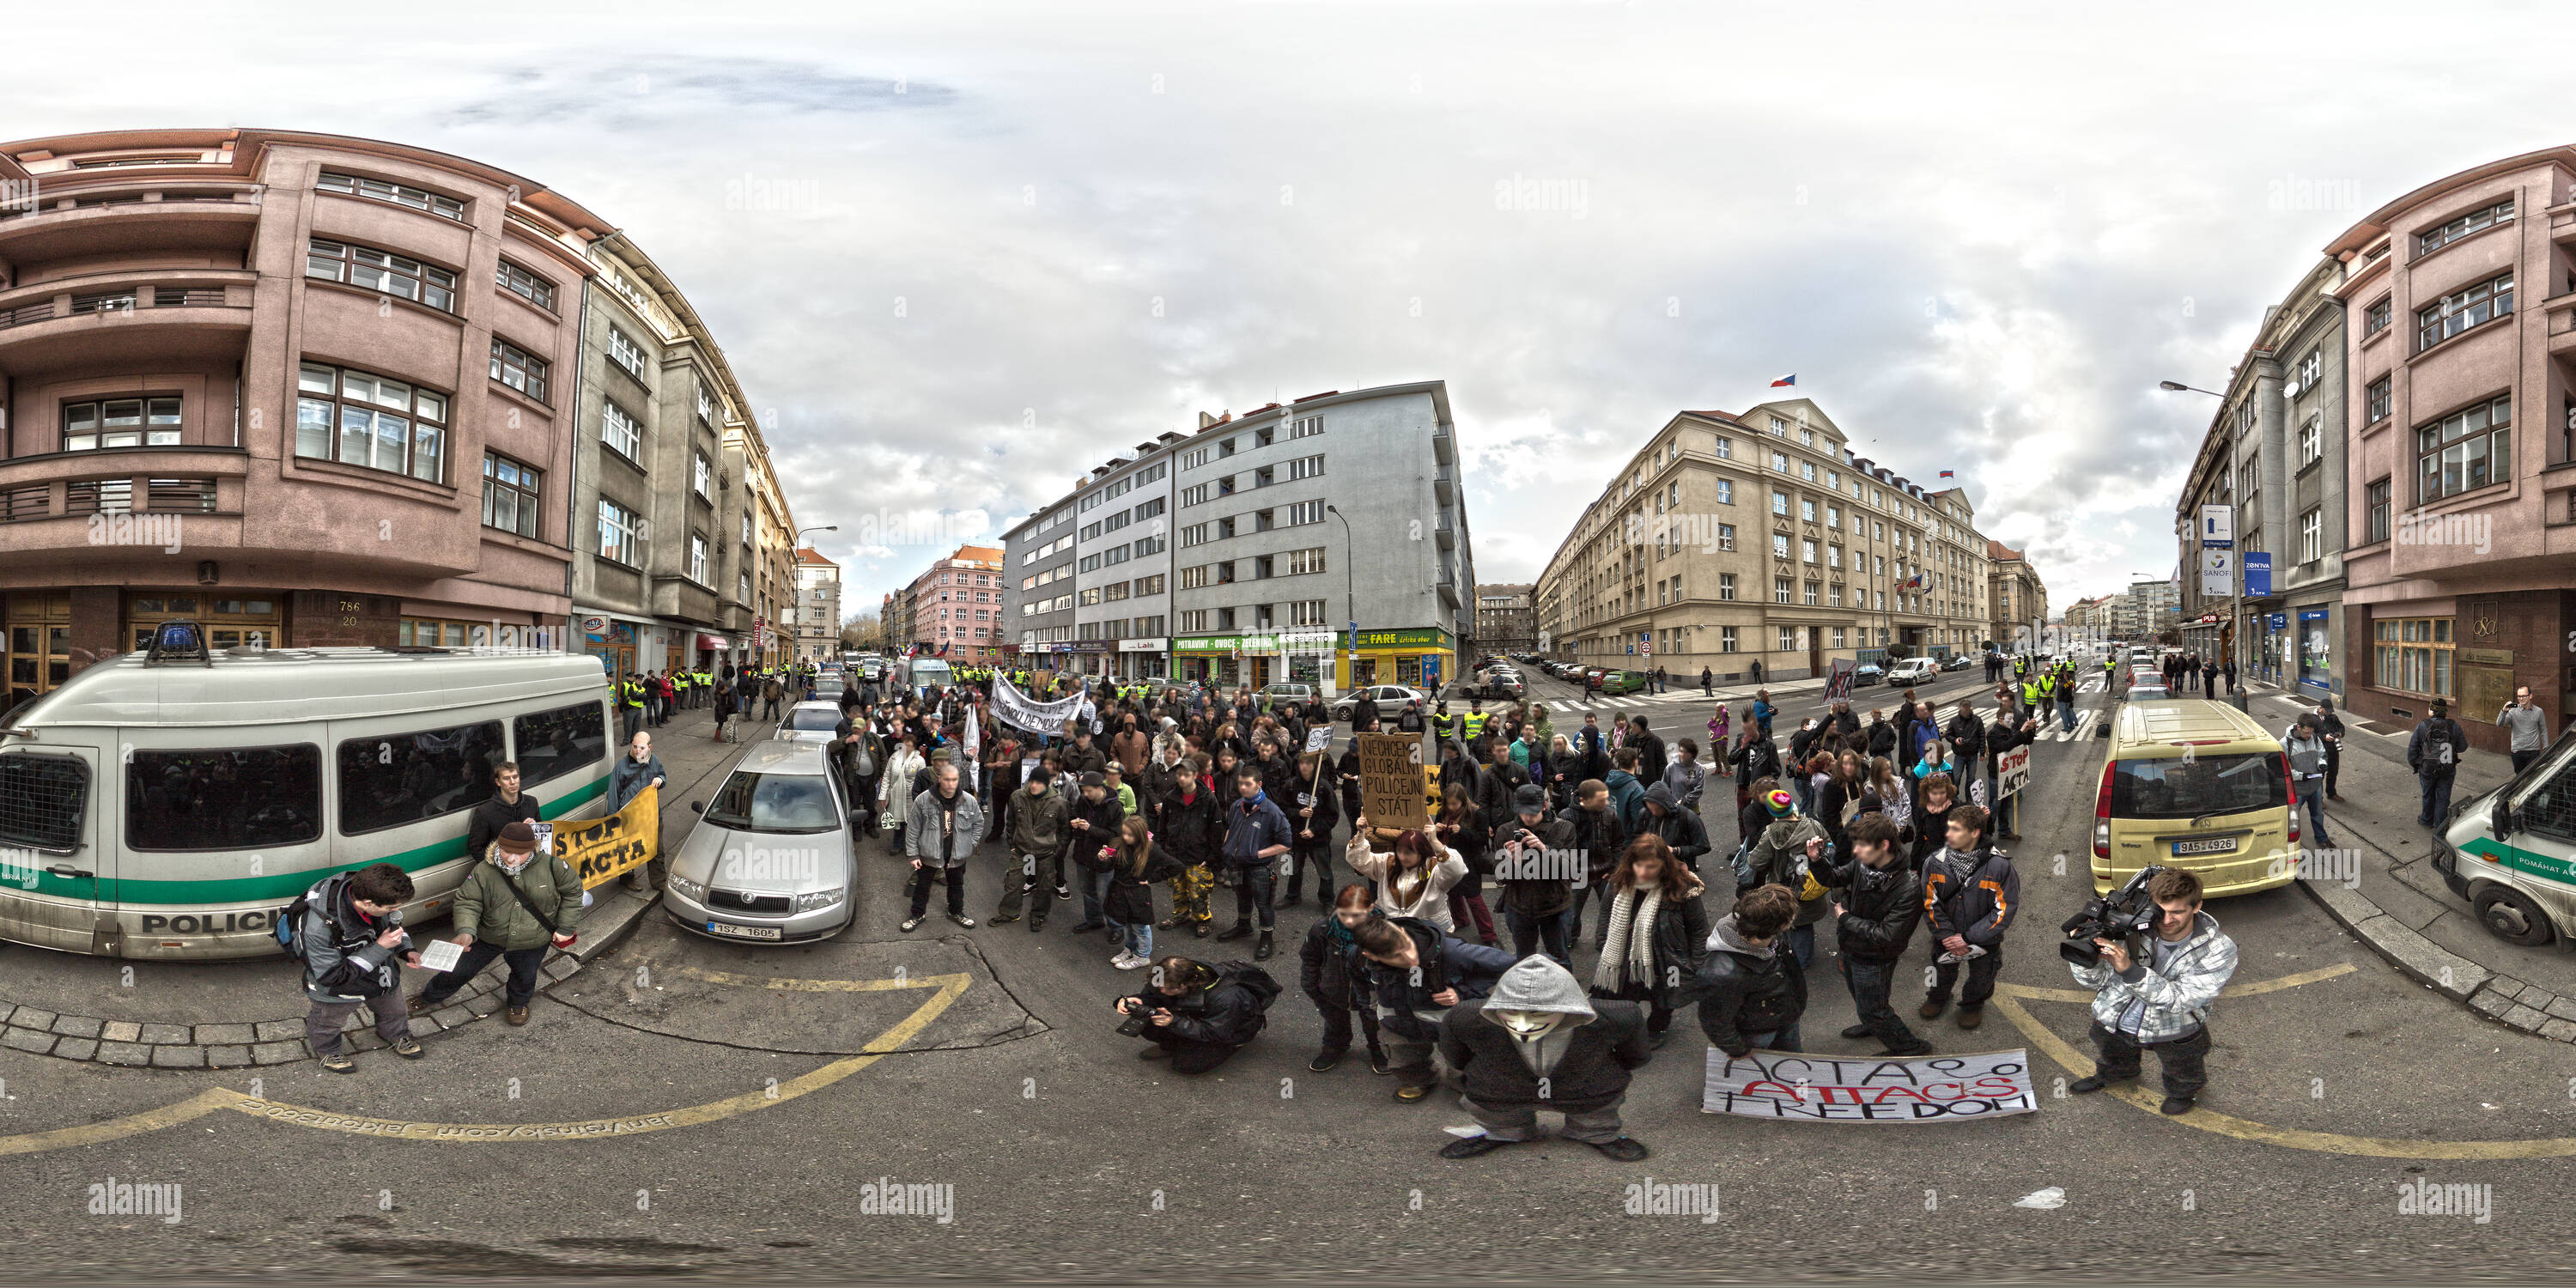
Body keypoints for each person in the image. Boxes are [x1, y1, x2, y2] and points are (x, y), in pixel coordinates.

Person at [1438, 954, 1651, 1161]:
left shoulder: (1620, 1017)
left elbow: (1634, 1056)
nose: (1522, 1026)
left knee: (1597, 1112)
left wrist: (1610, 1075)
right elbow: (1457, 1057)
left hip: (1586, 1088)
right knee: (1494, 1111)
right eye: (1510, 1013)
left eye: (1538, 1015)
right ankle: (1505, 1132)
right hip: (1502, 1089)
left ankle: (1596, 1133)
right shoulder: (1464, 1018)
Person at [2069, 867, 2239, 1115]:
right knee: (2111, 1054)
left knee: (2183, 1067)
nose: (2167, 920)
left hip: (2176, 1029)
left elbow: (2181, 1000)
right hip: (2116, 1017)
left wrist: (2130, 971)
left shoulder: (2218, 949)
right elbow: (2097, 981)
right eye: (2161, 911)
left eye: (2178, 912)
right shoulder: (2131, 926)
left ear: (2197, 906)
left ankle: (2184, 1092)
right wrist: (2083, 953)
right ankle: (2116, 1074)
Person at [408, 819, 580, 1026]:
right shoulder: (484, 870)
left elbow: (573, 893)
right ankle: (430, 996)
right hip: (489, 936)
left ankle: (518, 1003)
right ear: (499, 846)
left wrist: (566, 927)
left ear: (533, 849)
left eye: (520, 852)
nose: (511, 857)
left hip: (532, 939)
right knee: (457, 971)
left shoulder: (554, 866)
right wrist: (466, 931)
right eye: (506, 850)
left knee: (525, 976)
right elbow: (468, 901)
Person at [1352, 914, 1515, 1103]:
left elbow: (1511, 968)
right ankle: (1419, 1080)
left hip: (1447, 1022)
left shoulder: (1454, 952)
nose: (1410, 958)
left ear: (1403, 933)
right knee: (1404, 1057)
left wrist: (1461, 993)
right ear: (1371, 956)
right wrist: (1371, 1006)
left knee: (1462, 1057)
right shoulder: (1359, 957)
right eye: (1395, 957)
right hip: (1398, 1023)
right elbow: (1359, 980)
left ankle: (1467, 1086)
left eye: (1406, 947)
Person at [1804, 811, 1928, 1055]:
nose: (1856, 852)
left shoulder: (1909, 888)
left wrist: (1845, 918)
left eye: (1862, 845)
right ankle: (1872, 1023)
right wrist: (1817, 861)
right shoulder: (1865, 864)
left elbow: (1887, 935)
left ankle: (1908, 1047)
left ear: (1883, 845)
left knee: (1875, 1008)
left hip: (1875, 957)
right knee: (1865, 999)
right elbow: (1836, 877)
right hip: (1852, 947)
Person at [295, 861, 425, 1072]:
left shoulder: (377, 899)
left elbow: (394, 928)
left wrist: (406, 949)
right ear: (368, 902)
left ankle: (396, 1034)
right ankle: (327, 1049)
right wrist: (382, 947)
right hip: (336, 991)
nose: (396, 911)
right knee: (328, 1022)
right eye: (391, 908)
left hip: (381, 976)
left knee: (395, 1010)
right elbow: (331, 976)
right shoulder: (318, 928)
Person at [1588, 835, 1710, 1046]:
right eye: (1639, 865)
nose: (1643, 873)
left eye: (1651, 867)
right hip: (1628, 957)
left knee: (1664, 1000)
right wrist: (1602, 941)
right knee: (1621, 997)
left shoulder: (1683, 887)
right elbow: (1606, 913)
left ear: (1664, 865)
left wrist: (1696, 964)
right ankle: (1626, 1030)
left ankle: (1656, 1029)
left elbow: (1699, 930)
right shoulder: (1620, 881)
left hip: (1669, 960)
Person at [1918, 803, 2013, 1030]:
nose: (1948, 834)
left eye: (1956, 830)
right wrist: (1948, 935)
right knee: (1942, 971)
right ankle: (1938, 997)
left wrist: (1969, 937)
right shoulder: (1934, 863)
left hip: (1985, 941)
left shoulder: (1999, 866)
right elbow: (1929, 903)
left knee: (1982, 976)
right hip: (1946, 938)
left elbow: (2004, 909)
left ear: (1974, 833)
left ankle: (1972, 1004)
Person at [1115, 955, 1279, 1074]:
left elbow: (1215, 1032)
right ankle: (1172, 1046)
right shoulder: (1167, 978)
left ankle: (1232, 1047)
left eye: (1170, 989)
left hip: (1229, 1029)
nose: (1163, 992)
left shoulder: (1226, 998)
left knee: (1186, 1065)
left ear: (1190, 982)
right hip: (1193, 1016)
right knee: (1144, 1016)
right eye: (1159, 986)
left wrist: (1173, 1022)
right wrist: (1130, 1001)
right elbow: (1152, 997)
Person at [1696, 883, 1807, 1057]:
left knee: (1792, 1061)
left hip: (1787, 1017)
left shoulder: (1772, 934)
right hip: (1757, 1035)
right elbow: (1716, 1022)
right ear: (1783, 925)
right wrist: (1739, 1050)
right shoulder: (1720, 974)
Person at [1300, 884, 1389, 1074]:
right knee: (1334, 1023)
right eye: (1344, 913)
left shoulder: (1383, 932)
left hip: (1369, 993)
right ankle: (1335, 1047)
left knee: (1374, 1024)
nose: (1349, 920)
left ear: (1370, 908)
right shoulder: (1322, 929)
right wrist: (1312, 987)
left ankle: (1378, 1050)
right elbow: (1310, 958)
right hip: (1332, 989)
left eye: (1356, 915)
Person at [1739, 787, 1829, 966]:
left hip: (1782, 886)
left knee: (1784, 919)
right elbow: (1827, 845)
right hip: (1810, 884)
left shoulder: (1771, 834)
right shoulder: (1813, 825)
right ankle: (1803, 961)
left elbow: (1755, 862)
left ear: (1773, 812)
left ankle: (1789, 958)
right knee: (1804, 924)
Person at [1215, 766, 1295, 960]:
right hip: (1236, 865)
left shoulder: (1272, 811)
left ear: (1259, 785)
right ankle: (1243, 927)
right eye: (1240, 783)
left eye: (1247, 784)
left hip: (1259, 868)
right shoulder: (1237, 806)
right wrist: (1228, 846)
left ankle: (1267, 937)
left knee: (1264, 903)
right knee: (1242, 898)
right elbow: (1230, 828)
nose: (1242, 787)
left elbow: (1286, 843)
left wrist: (1258, 854)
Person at [1492, 784, 1577, 964]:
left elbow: (1570, 870)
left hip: (1556, 906)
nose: (1527, 817)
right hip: (1519, 906)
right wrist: (1514, 861)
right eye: (1523, 812)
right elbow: (1502, 878)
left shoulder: (1564, 828)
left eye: (1532, 812)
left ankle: (1562, 989)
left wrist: (1544, 849)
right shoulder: (1505, 831)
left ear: (1544, 806)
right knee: (1524, 959)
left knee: (1559, 957)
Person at [901, 761, 984, 933]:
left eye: (954, 780)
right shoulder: (923, 800)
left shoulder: (968, 800)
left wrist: (970, 844)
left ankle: (956, 912)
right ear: (939, 779)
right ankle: (917, 914)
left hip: (956, 854)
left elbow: (978, 823)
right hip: (929, 854)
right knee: (922, 886)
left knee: (956, 885)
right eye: (947, 779)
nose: (951, 784)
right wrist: (913, 855)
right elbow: (913, 829)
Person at [1344, 819, 1472, 930]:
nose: (1402, 857)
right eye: (1399, 851)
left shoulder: (1435, 867)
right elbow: (1358, 860)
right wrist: (1361, 834)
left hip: (1429, 932)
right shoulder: (1387, 862)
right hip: (1394, 930)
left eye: (1409, 853)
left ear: (1421, 852)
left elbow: (1458, 871)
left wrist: (1435, 842)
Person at [994, 767, 1071, 930]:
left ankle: (1038, 916)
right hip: (1022, 852)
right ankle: (1009, 913)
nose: (1034, 786)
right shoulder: (1017, 796)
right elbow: (1011, 822)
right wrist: (1012, 844)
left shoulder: (1059, 803)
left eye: (1038, 783)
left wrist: (1057, 852)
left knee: (1044, 888)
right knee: (1013, 884)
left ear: (1047, 784)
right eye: (1032, 781)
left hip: (1045, 854)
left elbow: (1065, 830)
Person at [1101, 815, 1178, 969]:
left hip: (1138, 895)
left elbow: (1176, 866)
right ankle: (1130, 949)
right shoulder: (1120, 844)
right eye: (1124, 833)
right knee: (1128, 924)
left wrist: (1152, 878)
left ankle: (1143, 956)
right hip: (1121, 891)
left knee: (1141, 928)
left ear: (1140, 835)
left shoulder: (1151, 850)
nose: (1125, 837)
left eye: (1130, 835)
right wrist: (1103, 858)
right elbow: (1110, 867)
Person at [1562, 778, 1630, 948]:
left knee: (1610, 911)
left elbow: (1619, 843)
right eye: (1601, 800)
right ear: (1585, 800)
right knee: (1572, 912)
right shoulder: (1565, 817)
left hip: (1605, 871)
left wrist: (1615, 868)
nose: (1606, 803)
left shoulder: (1609, 814)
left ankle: (1607, 941)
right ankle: (1570, 938)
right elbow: (1560, 848)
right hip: (1578, 873)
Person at [1065, 770, 1128, 936]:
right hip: (1083, 854)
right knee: (1087, 891)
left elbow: (1116, 836)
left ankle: (1116, 927)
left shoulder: (1115, 808)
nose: (1085, 794)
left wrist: (1090, 829)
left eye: (1088, 791)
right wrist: (1073, 821)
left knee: (1105, 895)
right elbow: (1074, 815)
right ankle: (1094, 920)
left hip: (1104, 858)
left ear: (1100, 788)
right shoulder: (1082, 801)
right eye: (1083, 790)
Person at [1279, 749, 1342, 909]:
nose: (1304, 766)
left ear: (1315, 766)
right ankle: (1292, 896)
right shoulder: (1291, 785)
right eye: (1302, 763)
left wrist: (1314, 830)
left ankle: (1327, 901)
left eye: (1308, 763)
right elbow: (1282, 809)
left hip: (1318, 838)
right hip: (1297, 836)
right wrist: (1298, 813)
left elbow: (1332, 816)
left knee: (1324, 872)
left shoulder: (1323, 787)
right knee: (1294, 869)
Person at [608, 732, 669, 890]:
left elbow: (662, 775)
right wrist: (613, 819)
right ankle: (627, 879)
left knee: (657, 850)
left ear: (649, 747)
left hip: (652, 816)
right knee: (628, 850)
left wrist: (661, 779)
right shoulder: (621, 766)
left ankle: (659, 882)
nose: (637, 750)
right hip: (630, 818)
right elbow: (613, 794)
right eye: (634, 746)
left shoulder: (654, 761)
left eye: (641, 748)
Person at [2407, 697, 2470, 829]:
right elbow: (2463, 747)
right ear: (2444, 712)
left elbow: (2412, 750)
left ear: (2432, 711)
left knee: (2428, 793)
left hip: (2427, 768)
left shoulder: (2423, 725)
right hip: (2447, 767)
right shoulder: (2454, 726)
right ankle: (2440, 826)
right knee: (2443, 797)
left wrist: (2416, 764)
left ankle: (2426, 820)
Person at [466, 762, 542, 869]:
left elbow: (542, 837)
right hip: (502, 869)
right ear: (498, 782)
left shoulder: (531, 802)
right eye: (506, 778)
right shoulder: (485, 812)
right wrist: (497, 868)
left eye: (515, 777)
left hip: (530, 864)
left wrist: (534, 829)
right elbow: (475, 847)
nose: (512, 782)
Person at [2283, 715, 2333, 848]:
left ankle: (2322, 838)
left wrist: (2322, 764)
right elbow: (2283, 769)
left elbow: (2321, 755)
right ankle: (2288, 844)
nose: (2308, 736)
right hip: (2296, 789)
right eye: (2306, 732)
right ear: (2298, 727)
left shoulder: (2315, 738)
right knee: (2292, 819)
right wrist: (2301, 776)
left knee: (2317, 815)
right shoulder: (2285, 743)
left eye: (2311, 732)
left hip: (2315, 785)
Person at [1637, 782, 1710, 874]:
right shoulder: (1645, 813)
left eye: (1657, 809)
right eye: (1650, 809)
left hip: (1680, 868)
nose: (1654, 813)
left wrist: (1676, 850)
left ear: (1665, 804)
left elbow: (1704, 846)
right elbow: (1637, 835)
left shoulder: (1688, 817)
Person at [878, 732, 926, 856]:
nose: (907, 748)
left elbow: (923, 781)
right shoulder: (894, 757)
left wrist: (921, 798)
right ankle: (897, 845)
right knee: (897, 821)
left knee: (912, 823)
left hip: (912, 796)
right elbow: (887, 777)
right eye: (905, 745)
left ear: (914, 747)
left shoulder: (920, 761)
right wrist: (883, 796)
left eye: (910, 746)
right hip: (895, 795)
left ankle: (912, 848)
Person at [2500, 686, 2549, 775]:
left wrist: (2546, 747)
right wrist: (2503, 711)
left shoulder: (2538, 711)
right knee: (2519, 777)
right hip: (2517, 751)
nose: (2521, 699)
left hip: (2533, 751)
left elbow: (2543, 730)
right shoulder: (2513, 710)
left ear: (2530, 696)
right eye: (2519, 696)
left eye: (2523, 696)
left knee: (2532, 776)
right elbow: (2500, 724)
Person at [2315, 698, 2347, 801]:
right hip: (2321, 752)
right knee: (2320, 776)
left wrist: (2340, 733)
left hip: (2334, 750)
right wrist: (2324, 737)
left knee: (2333, 773)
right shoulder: (2314, 719)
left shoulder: (2333, 717)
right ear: (2320, 709)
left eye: (2330, 711)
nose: (2329, 713)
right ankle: (2318, 800)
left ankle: (2332, 793)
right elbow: (2310, 735)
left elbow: (2341, 727)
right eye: (2326, 710)